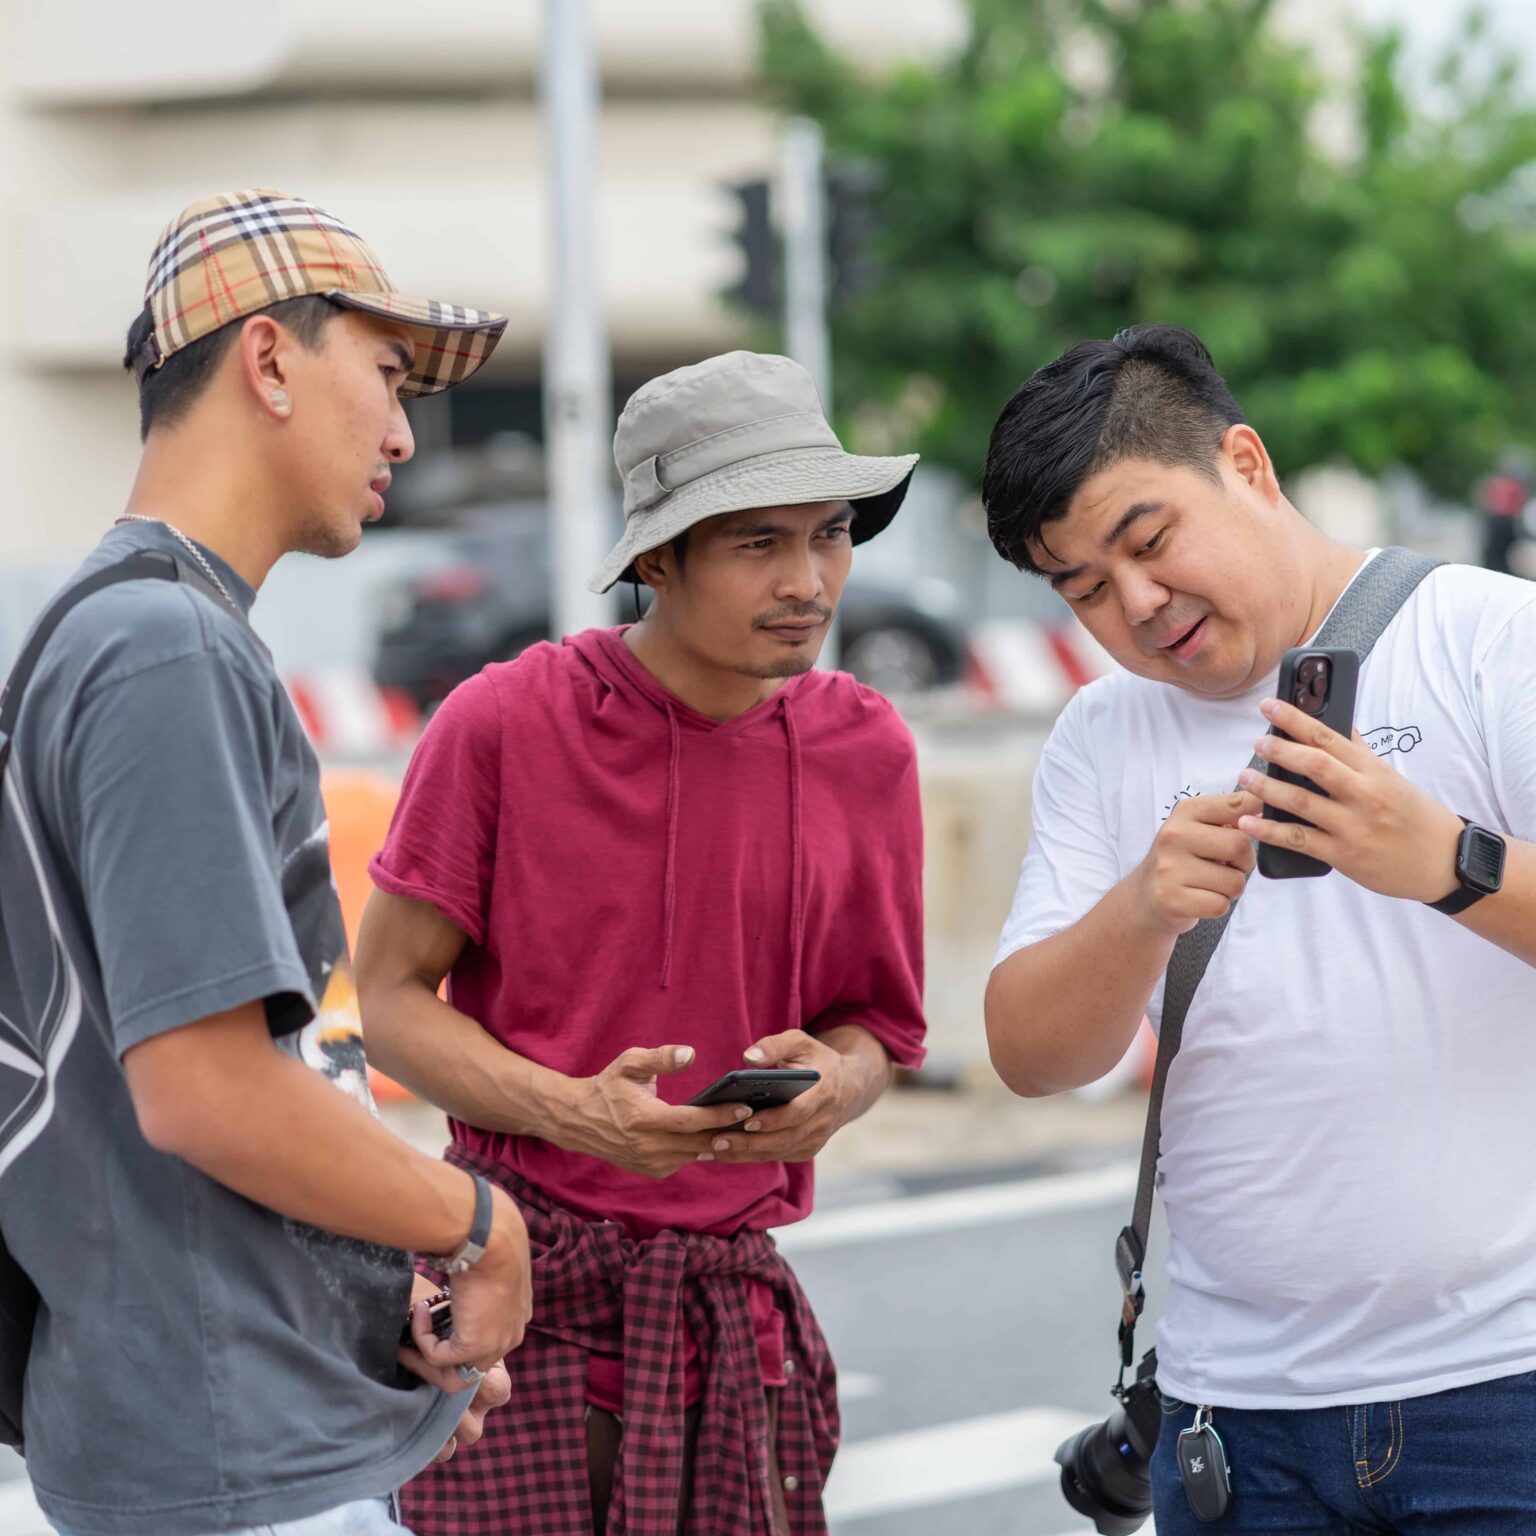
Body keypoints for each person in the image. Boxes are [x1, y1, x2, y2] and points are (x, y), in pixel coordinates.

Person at [0, 189, 534, 1536]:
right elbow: (204, 1090)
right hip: (225, 1457)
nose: (406, 432)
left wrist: (372, 1295)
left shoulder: (116, 634)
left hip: (207, 1424)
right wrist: (477, 1223)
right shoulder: (162, 650)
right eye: (389, 373)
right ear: (269, 360)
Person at [354, 349, 928, 1536]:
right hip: (517, 1286)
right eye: (758, 542)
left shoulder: (867, 748)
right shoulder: (505, 722)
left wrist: (836, 1085)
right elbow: (394, 997)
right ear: (657, 558)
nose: (809, 580)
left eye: (829, 534)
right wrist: (574, 1111)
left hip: (732, 1312)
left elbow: (878, 1025)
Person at [982, 324, 1536, 1534]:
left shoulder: (1492, 642)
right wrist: (1138, 911)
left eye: (1149, 540)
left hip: (1509, 1389)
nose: (1136, 604)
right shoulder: (1100, 734)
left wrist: (1446, 863)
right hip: (1232, 1418)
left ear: (1246, 463)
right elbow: (1030, 1055)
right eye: (1083, 587)